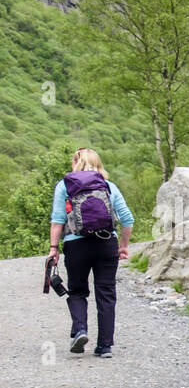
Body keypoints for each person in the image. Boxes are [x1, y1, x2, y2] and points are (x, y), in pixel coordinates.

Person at [49, 148, 133, 358]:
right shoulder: (108, 186)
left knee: (77, 291)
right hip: (106, 244)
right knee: (106, 293)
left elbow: (57, 220)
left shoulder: (64, 186)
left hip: (76, 245)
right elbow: (128, 219)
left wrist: (53, 249)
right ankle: (105, 346)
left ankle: (80, 330)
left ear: (76, 163)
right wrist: (123, 246)